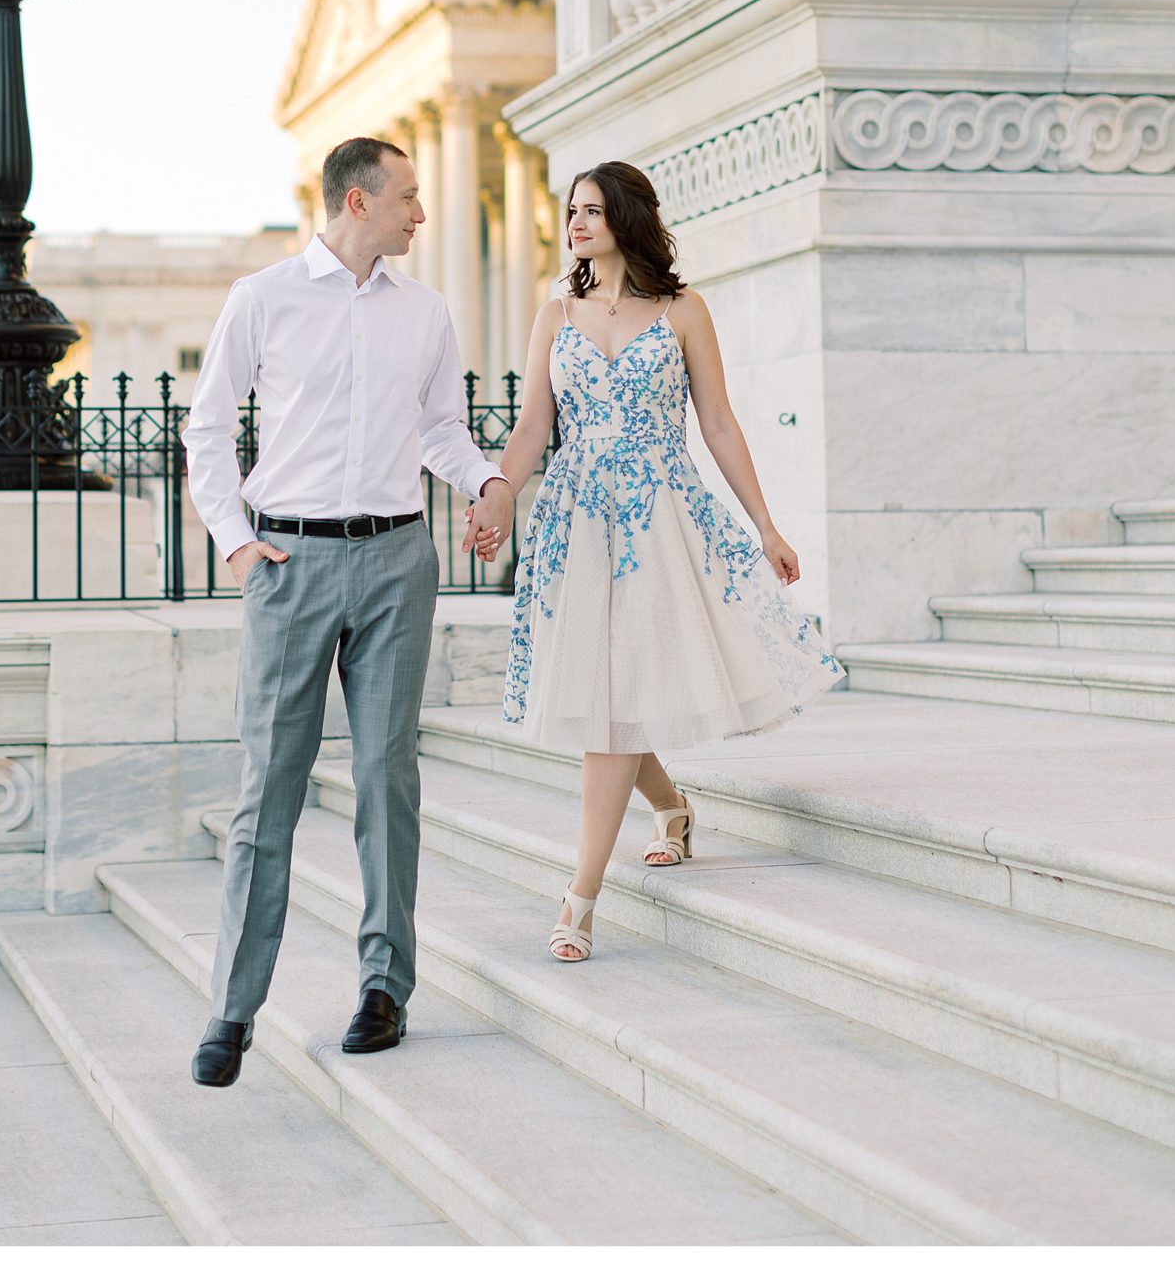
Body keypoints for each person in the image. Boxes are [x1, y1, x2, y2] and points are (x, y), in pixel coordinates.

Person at [181, 136, 514, 1085]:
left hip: (399, 560)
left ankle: (384, 988)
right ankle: (231, 1011)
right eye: (408, 197)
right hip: (291, 562)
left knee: (386, 777)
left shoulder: (426, 311)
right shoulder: (264, 298)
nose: (420, 212)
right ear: (357, 201)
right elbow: (206, 427)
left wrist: (486, 479)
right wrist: (235, 539)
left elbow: (440, 428)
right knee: (269, 790)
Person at [492, 160, 843, 962]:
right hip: (577, 524)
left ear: (625, 215)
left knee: (616, 699)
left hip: (662, 521)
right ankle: (672, 808)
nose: (575, 224)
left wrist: (764, 524)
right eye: (570, 211)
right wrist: (498, 494)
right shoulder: (555, 314)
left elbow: (717, 423)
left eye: (589, 210)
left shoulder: (683, 310)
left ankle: (579, 899)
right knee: (604, 694)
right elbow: (528, 431)